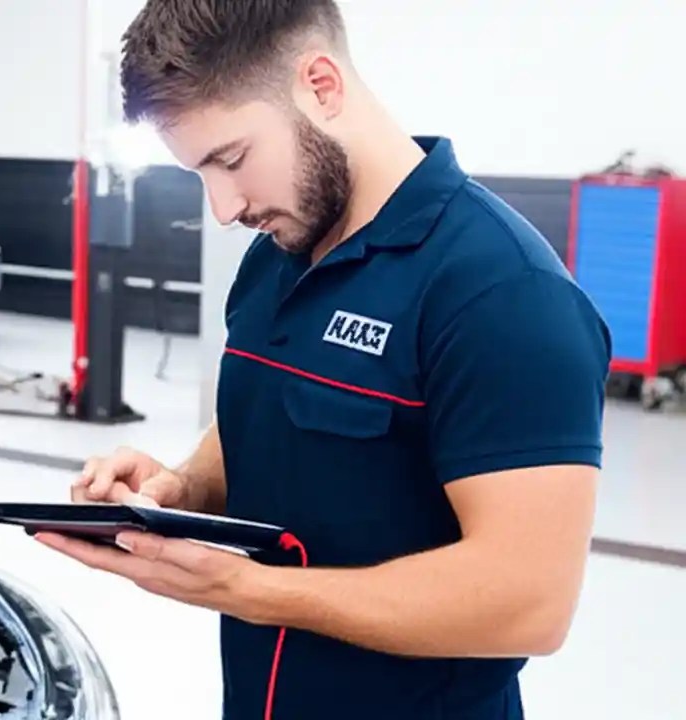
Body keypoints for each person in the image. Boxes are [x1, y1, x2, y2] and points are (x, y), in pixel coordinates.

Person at [33, 1, 611, 719]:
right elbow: (274, 417)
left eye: (232, 159)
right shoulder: (276, 258)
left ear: (322, 85)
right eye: (197, 172)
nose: (221, 206)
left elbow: (529, 604)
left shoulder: (501, 293)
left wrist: (246, 592)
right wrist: (181, 491)